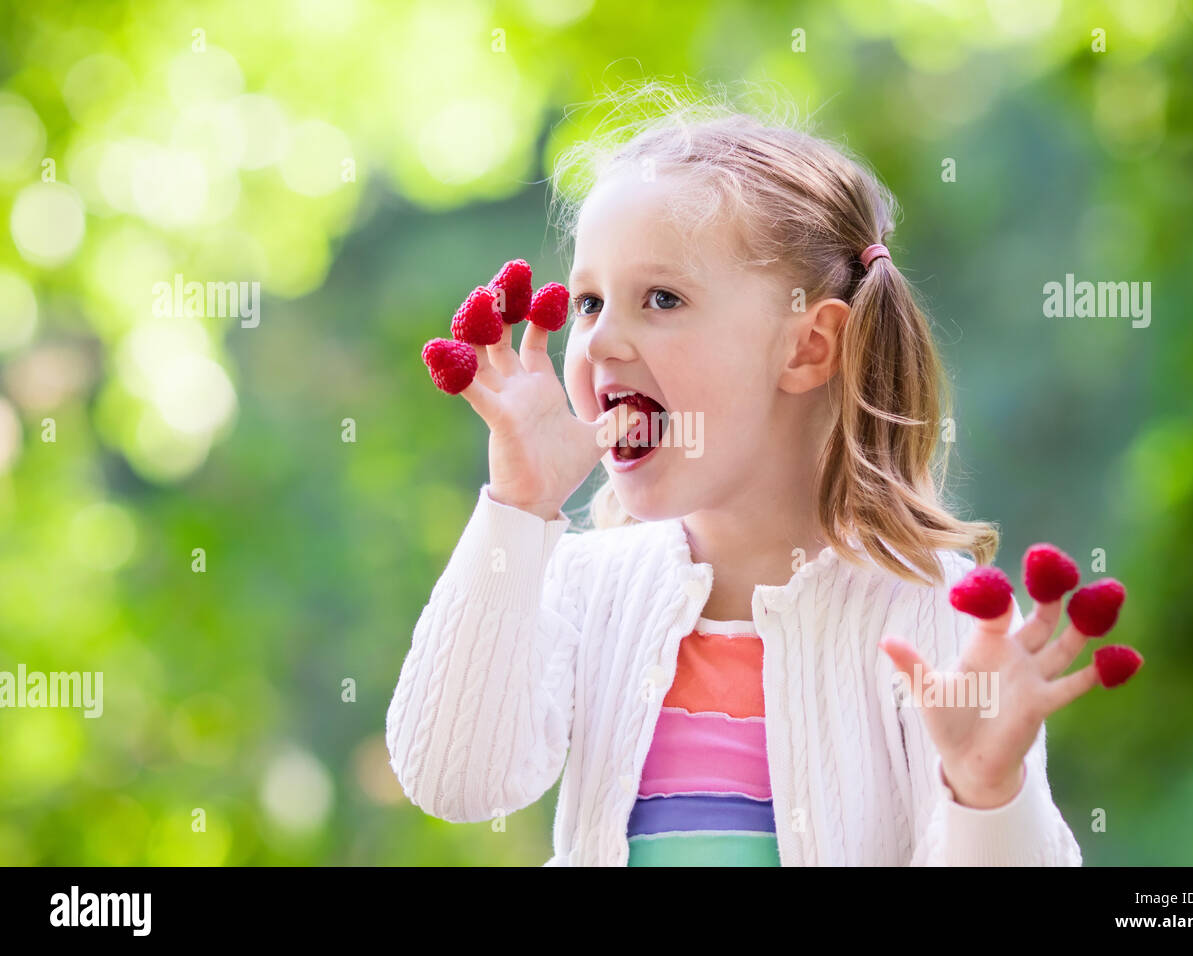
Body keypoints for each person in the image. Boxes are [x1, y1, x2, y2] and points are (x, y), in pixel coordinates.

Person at [386, 87, 1100, 866]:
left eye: (662, 298)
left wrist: (987, 793)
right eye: (589, 302)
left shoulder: (934, 617)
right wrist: (519, 509)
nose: (603, 342)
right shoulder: (588, 588)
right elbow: (454, 779)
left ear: (807, 347)